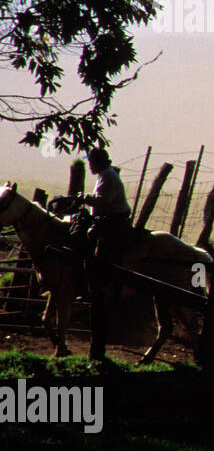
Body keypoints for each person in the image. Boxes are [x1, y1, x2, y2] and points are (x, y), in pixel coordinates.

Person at [79, 147, 133, 360]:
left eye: (91, 161)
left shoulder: (108, 176)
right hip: (107, 220)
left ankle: (99, 281)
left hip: (113, 222)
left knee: (98, 251)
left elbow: (104, 201)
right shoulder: (105, 174)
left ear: (97, 162)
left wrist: (83, 198)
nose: (89, 165)